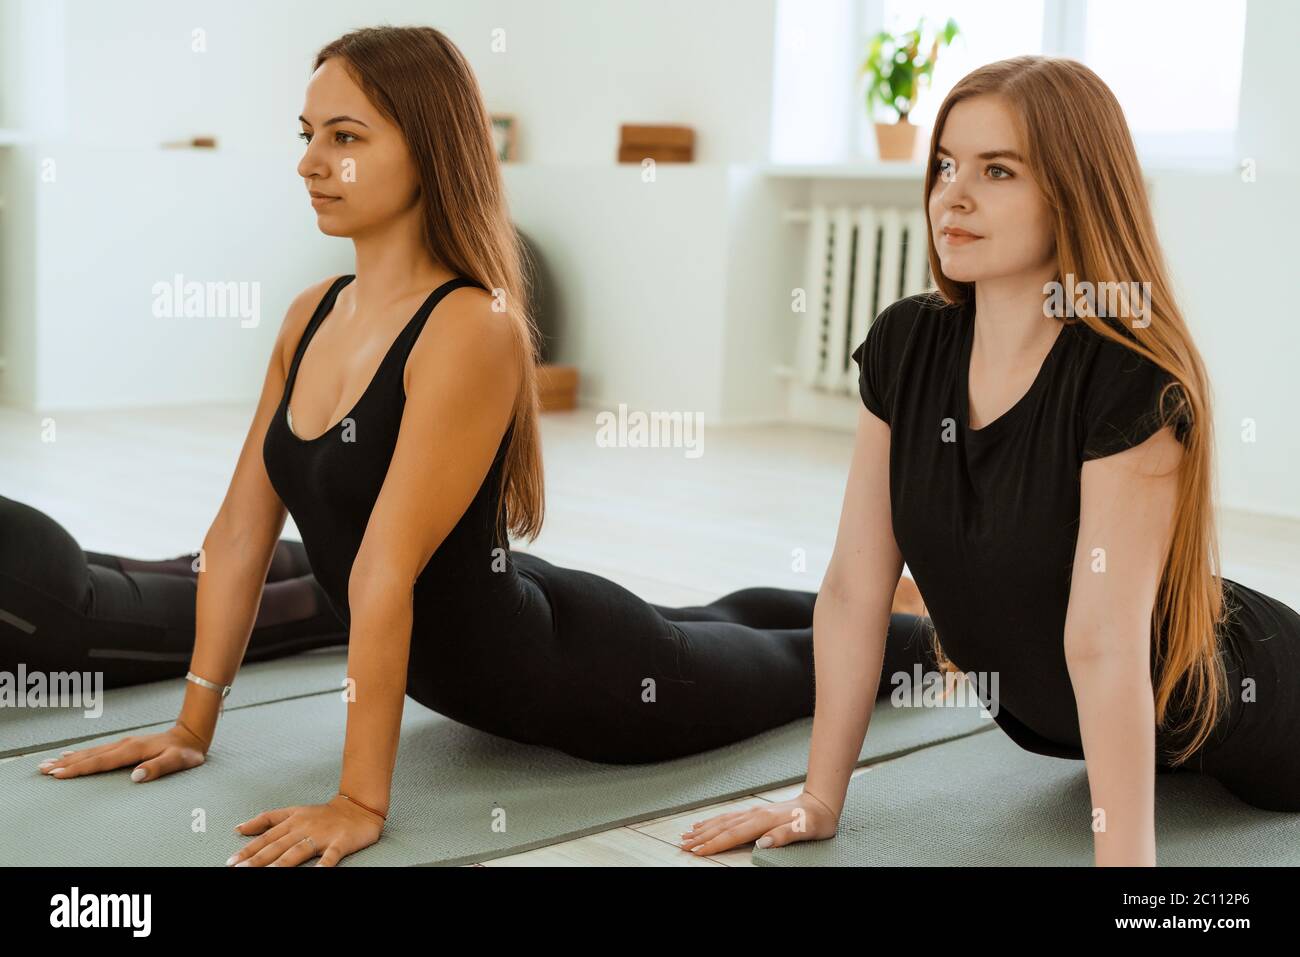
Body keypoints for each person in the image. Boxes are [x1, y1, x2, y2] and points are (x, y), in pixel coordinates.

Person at [5, 25, 930, 869]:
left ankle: (940, 635)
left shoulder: (469, 326)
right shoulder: (309, 315)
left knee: (793, 662)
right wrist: (192, 723)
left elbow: (381, 572)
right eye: (308, 133)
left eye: (346, 136)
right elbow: (240, 532)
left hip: (585, 679)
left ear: (429, 148)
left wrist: (359, 800)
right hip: (543, 605)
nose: (310, 162)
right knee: (725, 612)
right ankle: (893, 598)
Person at [681, 55, 1300, 867]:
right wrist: (820, 797)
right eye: (945, 166)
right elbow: (853, 584)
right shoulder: (906, 346)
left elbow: (1106, 642)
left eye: (997, 170)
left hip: (1253, 696)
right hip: (1070, 724)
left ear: (1075, 189)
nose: (953, 195)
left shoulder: (1131, 378)